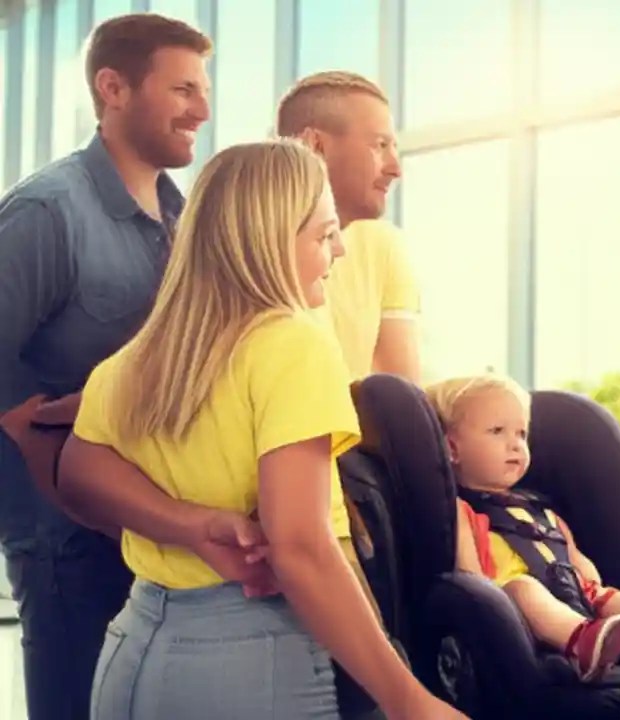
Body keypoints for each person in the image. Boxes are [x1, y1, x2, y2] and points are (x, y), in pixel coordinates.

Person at [55, 139, 465, 719]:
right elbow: (299, 547)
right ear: (271, 241)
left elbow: (76, 472)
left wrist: (190, 526)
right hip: (251, 659)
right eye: (324, 235)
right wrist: (409, 701)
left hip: (132, 651)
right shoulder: (292, 343)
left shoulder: (140, 357)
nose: (341, 249)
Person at [0, 14, 213, 719]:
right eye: (183, 89)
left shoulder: (183, 222)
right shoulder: (46, 211)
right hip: (64, 537)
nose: (202, 110)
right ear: (113, 88)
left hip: (149, 526)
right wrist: (56, 476)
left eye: (203, 90)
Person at [426, 374, 620, 709]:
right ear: (452, 448)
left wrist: (596, 592)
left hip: (575, 596)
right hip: (513, 614)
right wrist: (489, 606)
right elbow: (470, 578)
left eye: (521, 433)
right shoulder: (462, 511)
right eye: (497, 432)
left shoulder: (539, 508)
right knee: (524, 588)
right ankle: (581, 645)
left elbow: (574, 557)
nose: (515, 445)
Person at [276, 71, 422, 383]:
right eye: (380, 145)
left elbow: (404, 395)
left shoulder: (383, 244)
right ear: (314, 145)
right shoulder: (244, 239)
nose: (395, 168)